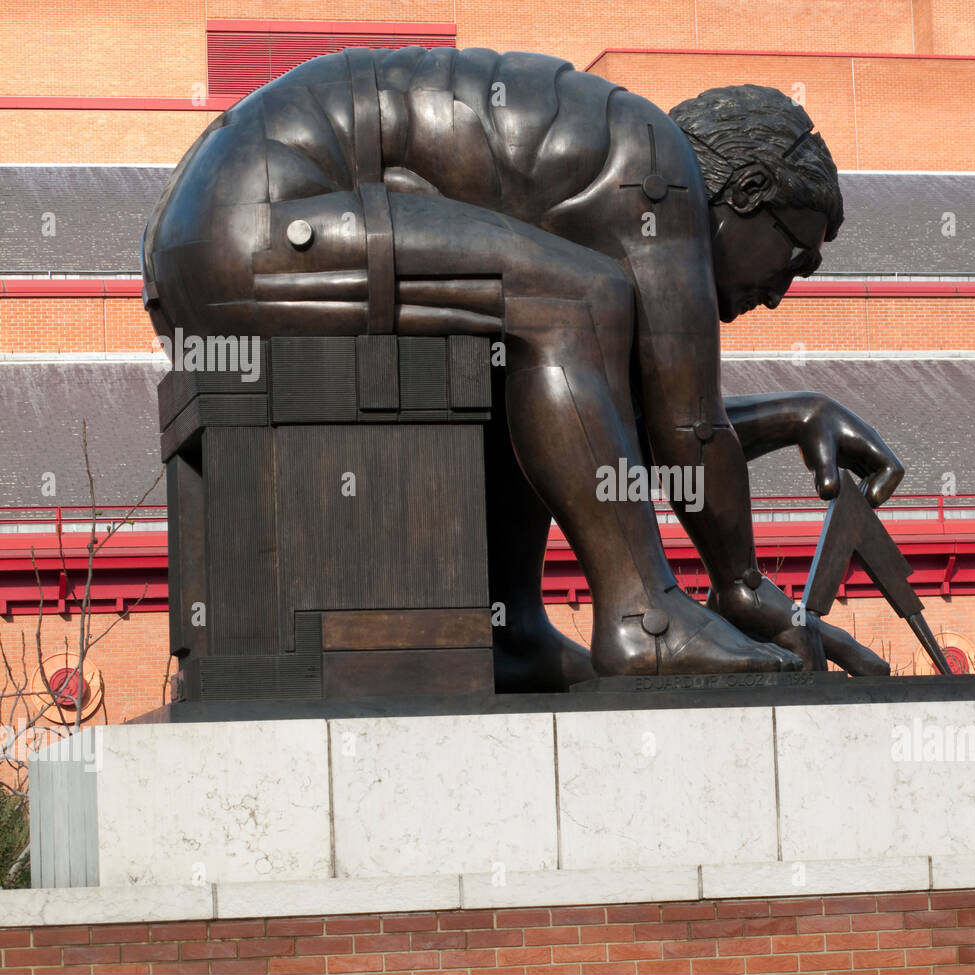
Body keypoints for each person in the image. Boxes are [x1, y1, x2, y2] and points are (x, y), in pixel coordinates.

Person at [143, 46, 904, 691]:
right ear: (744, 195)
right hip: (263, 220)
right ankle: (646, 618)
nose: (778, 293)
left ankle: (509, 624)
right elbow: (685, 428)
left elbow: (598, 420)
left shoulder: (618, 160)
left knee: (537, 333)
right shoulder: (659, 171)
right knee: (570, 301)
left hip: (209, 234)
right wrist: (741, 588)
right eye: (794, 257)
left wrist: (794, 415)